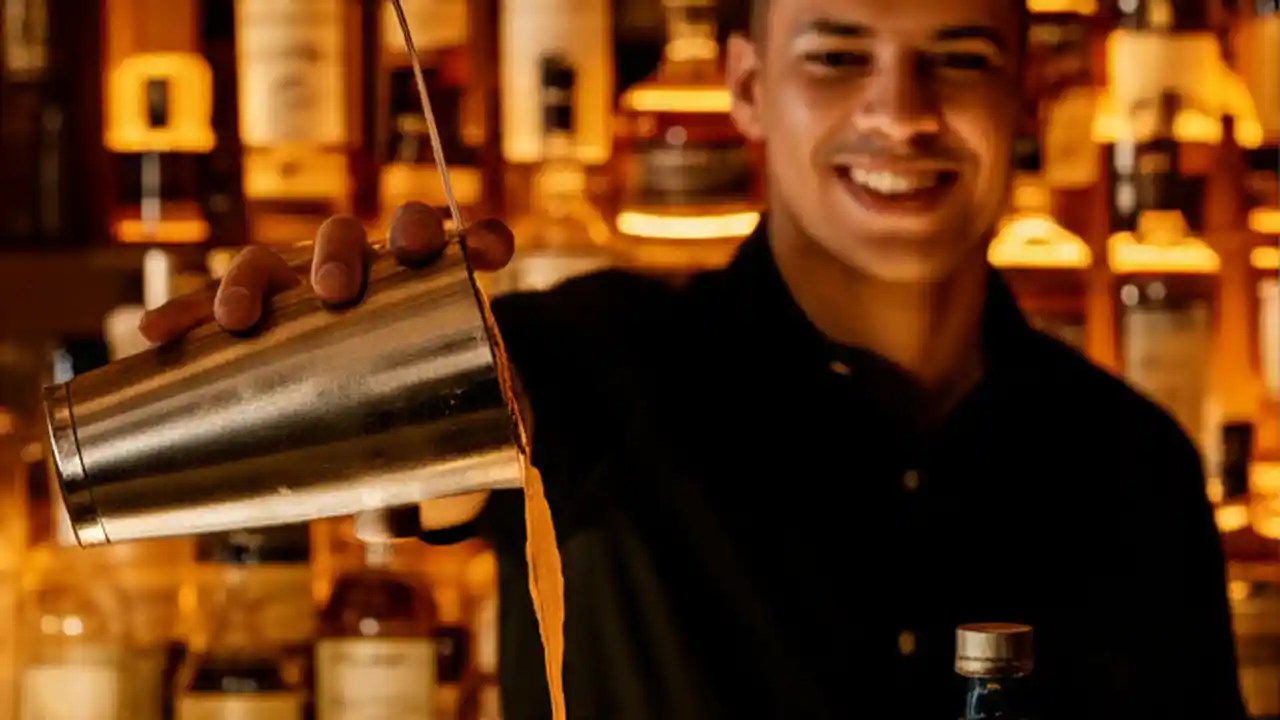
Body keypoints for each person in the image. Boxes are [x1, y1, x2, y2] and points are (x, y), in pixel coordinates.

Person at [141, 0, 1248, 717]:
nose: (898, 114)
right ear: (747, 86)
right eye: (836, 55)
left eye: (954, 59)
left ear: (1021, 96)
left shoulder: (1131, 462)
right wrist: (325, 353)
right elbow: (429, 471)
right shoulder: (597, 365)